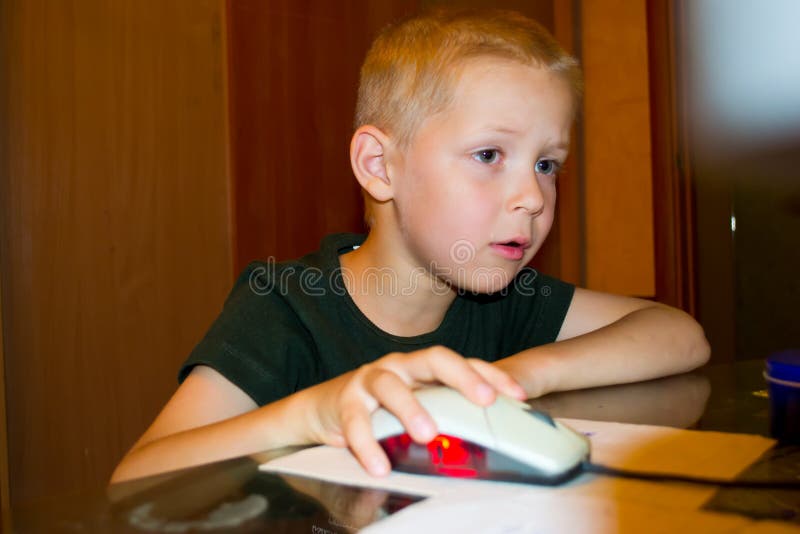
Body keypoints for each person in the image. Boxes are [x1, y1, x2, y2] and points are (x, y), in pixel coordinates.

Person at [111, 8, 710, 484]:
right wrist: (313, 412)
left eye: (547, 164)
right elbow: (136, 477)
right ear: (380, 166)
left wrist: (508, 380)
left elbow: (679, 333)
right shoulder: (288, 306)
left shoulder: (506, 298)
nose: (533, 197)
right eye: (489, 155)